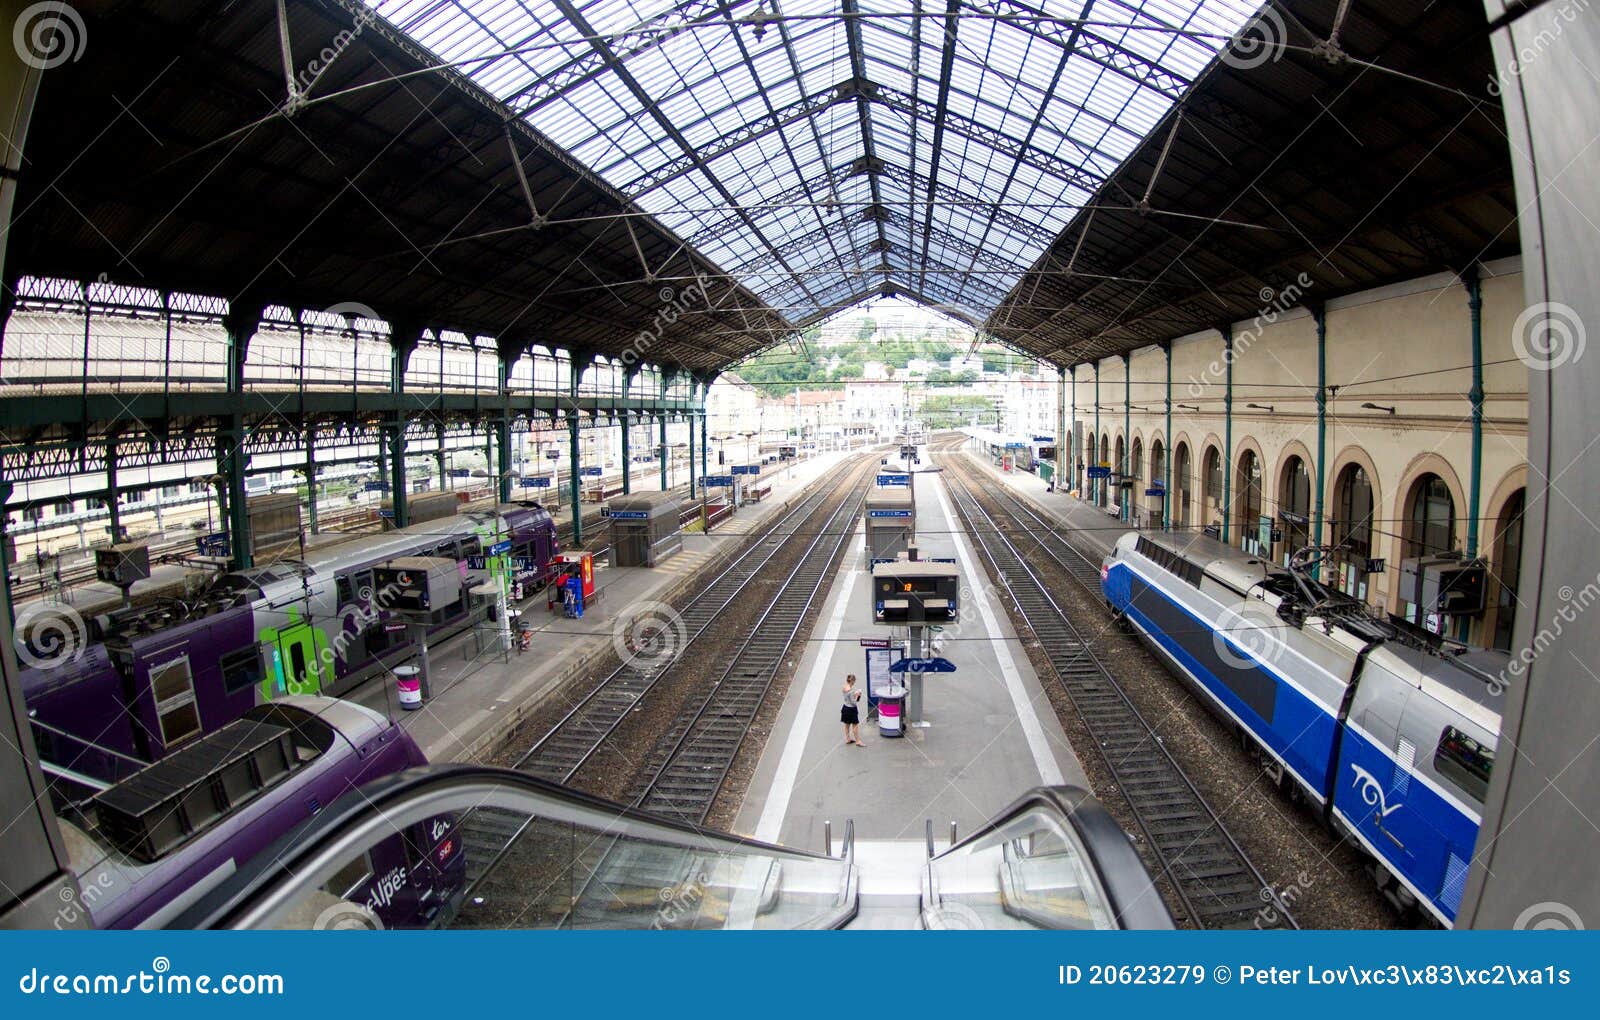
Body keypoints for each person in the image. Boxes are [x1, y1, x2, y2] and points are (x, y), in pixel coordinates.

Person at [841, 674, 864, 747]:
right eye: (854, 681)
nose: (854, 682)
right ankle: (858, 741)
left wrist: (855, 693)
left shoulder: (844, 687)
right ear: (852, 681)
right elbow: (854, 702)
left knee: (847, 724)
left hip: (845, 707)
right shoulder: (850, 690)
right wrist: (858, 695)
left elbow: (848, 697)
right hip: (851, 709)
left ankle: (848, 739)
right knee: (855, 725)